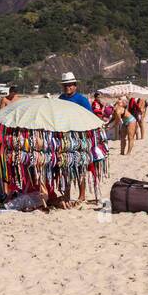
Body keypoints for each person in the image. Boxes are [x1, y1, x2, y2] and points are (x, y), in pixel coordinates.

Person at [58, 73, 93, 204]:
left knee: (80, 166)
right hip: (65, 137)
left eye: (70, 85)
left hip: (79, 137)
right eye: (65, 85)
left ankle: (81, 195)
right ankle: (66, 194)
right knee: (65, 167)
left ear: (75, 86)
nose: (67, 87)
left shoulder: (82, 100)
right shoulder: (61, 98)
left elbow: (90, 117)